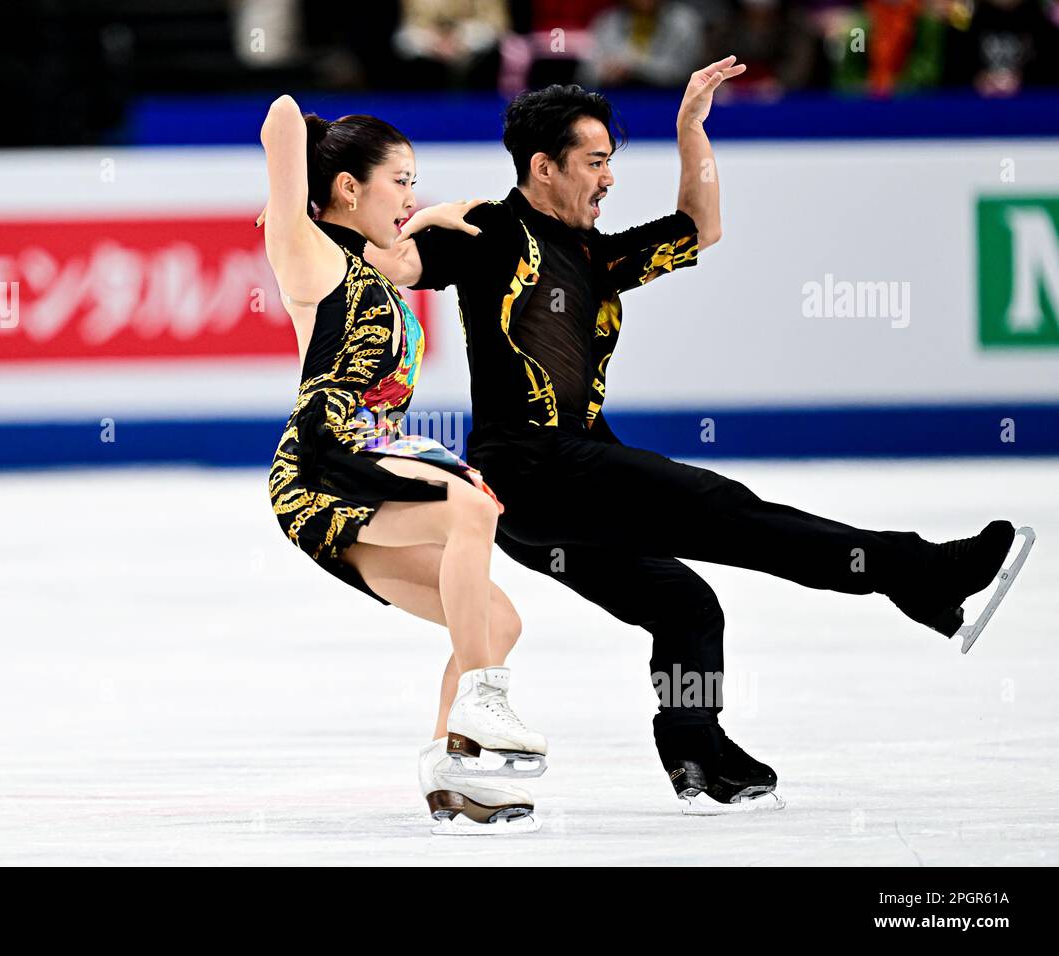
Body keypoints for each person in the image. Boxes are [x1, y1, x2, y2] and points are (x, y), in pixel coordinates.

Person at [363, 68, 1031, 814]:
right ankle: (919, 571)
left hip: (558, 485)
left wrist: (691, 131)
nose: (610, 177)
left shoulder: (595, 256)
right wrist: (419, 215)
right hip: (534, 469)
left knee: (683, 601)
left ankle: (697, 754)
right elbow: (390, 263)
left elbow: (699, 228)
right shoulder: (489, 232)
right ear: (542, 167)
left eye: (611, 159)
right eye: (594, 161)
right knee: (727, 509)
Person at [258, 94, 546, 833]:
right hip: (327, 460)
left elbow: (383, 239)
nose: (412, 196)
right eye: (401, 181)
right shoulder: (308, 255)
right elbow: (283, 117)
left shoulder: (369, 267)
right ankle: (486, 696)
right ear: (349, 189)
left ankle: (454, 770)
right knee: (471, 507)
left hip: (369, 459)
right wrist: (307, 162)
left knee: (495, 618)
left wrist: (422, 217)